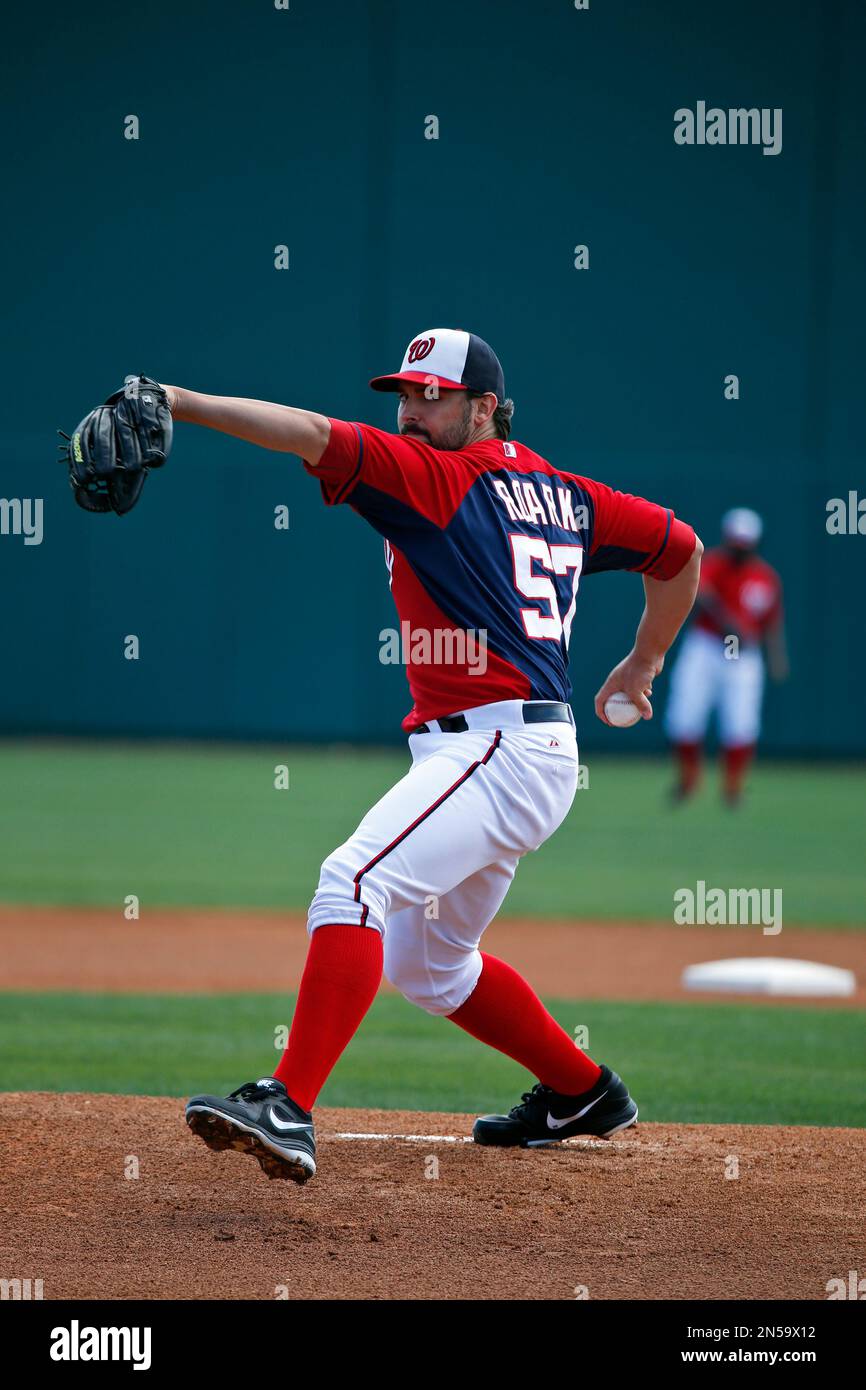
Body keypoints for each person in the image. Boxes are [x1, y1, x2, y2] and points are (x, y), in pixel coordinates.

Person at [171, 328, 702, 1184]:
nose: (410, 412)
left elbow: (309, 432)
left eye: (432, 397)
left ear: (484, 408)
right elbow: (680, 554)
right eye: (404, 395)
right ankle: (583, 1091)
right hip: (510, 751)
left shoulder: (437, 477)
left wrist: (177, 403)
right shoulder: (569, 494)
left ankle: (288, 1106)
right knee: (430, 961)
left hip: (498, 747)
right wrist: (643, 663)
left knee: (353, 883)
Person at [664, 507, 787, 806]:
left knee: (741, 722)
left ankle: (733, 787)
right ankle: (689, 779)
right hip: (707, 645)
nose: (739, 550)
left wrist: (778, 658)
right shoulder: (712, 563)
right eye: (736, 543)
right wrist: (729, 623)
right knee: (684, 715)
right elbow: (701, 595)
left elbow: (771, 622)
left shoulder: (765, 578)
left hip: (743, 655)